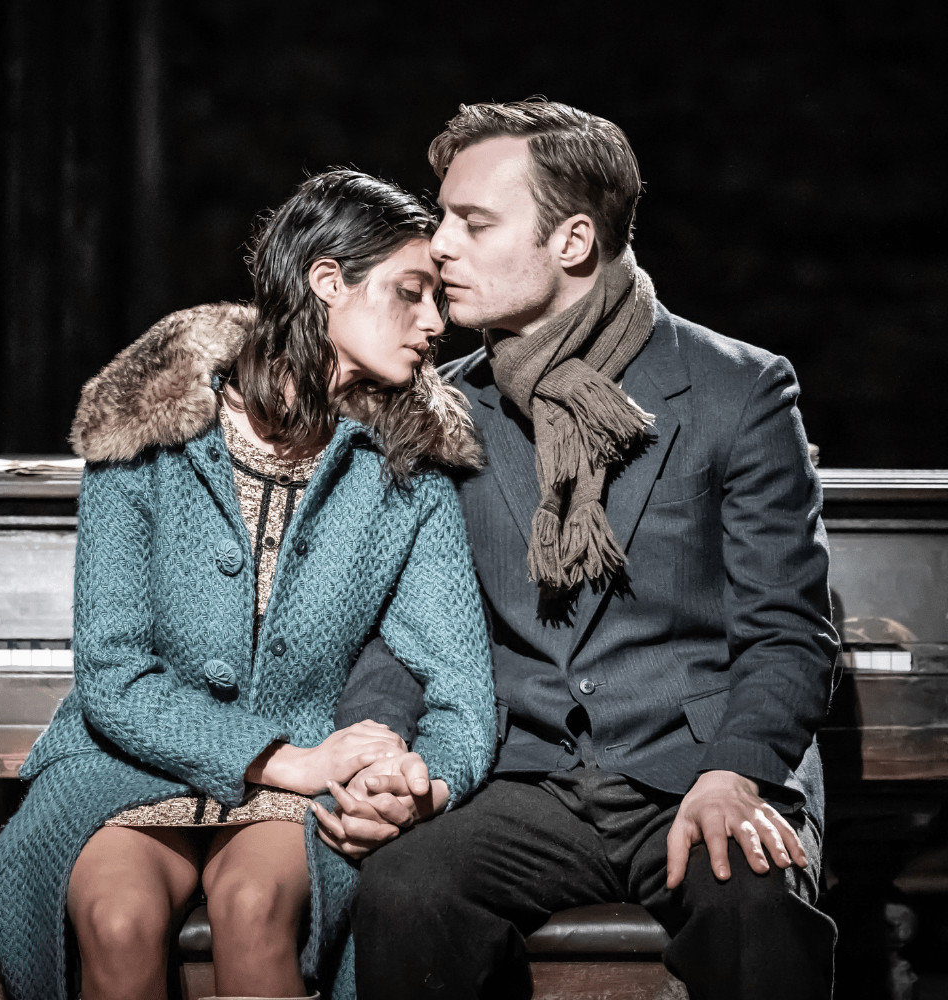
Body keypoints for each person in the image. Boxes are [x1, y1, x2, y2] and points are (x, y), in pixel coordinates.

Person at [327, 101, 841, 1000]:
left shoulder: (740, 390)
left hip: (702, 764)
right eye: (442, 215)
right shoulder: (439, 406)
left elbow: (790, 635)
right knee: (406, 890)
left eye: (473, 222)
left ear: (571, 241)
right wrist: (381, 752)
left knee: (754, 909)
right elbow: (404, 628)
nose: (437, 244)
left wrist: (736, 771)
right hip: (524, 778)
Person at [0, 169, 496, 1000]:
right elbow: (113, 675)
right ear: (329, 281)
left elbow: (463, 693)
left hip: (304, 785)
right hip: (124, 763)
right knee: (118, 919)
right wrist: (287, 760)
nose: (437, 323)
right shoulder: (149, 429)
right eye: (411, 292)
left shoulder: (410, 470)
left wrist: (421, 782)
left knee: (254, 907)